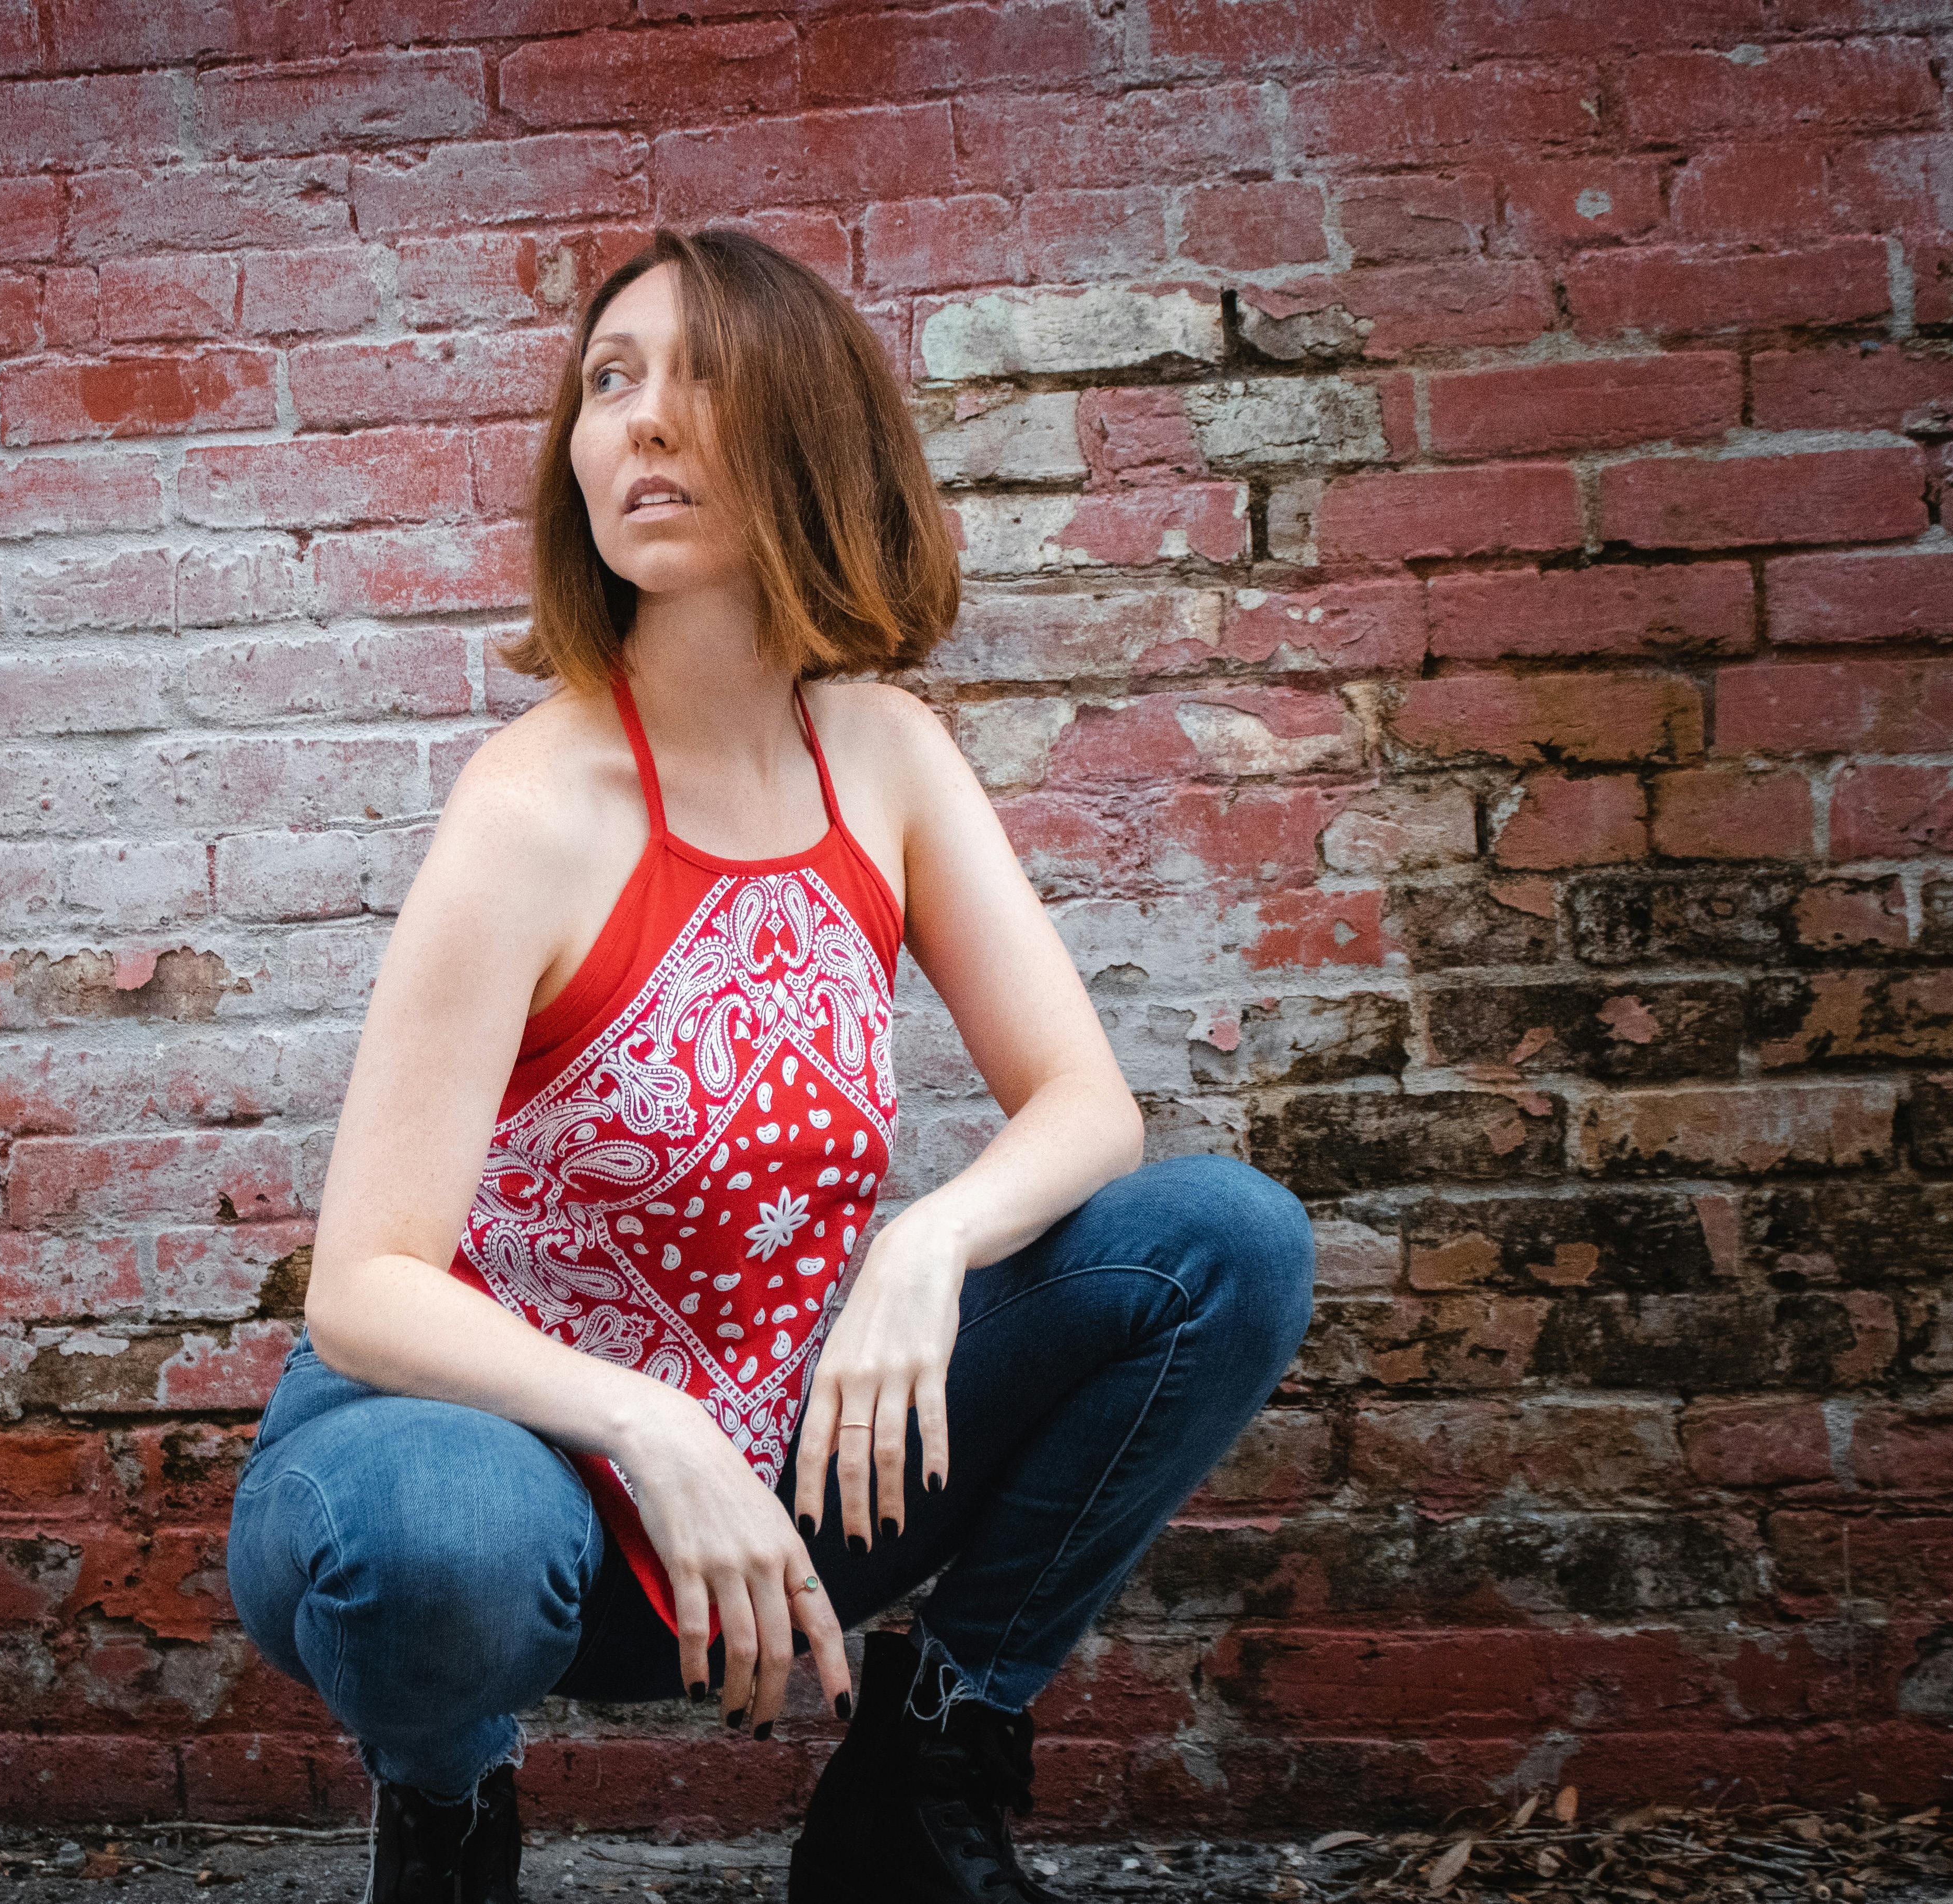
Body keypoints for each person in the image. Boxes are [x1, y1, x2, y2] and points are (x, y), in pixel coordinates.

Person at [223, 227, 1318, 1904]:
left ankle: (920, 1765)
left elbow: (1086, 1102)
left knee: (1224, 1246)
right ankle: (444, 1814)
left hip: (778, 1467)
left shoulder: (883, 753)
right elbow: (360, 1285)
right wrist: (646, 1424)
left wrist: (925, 1245)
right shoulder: (530, 806)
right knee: (429, 1541)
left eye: (702, 383)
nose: (640, 424)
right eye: (608, 383)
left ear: (811, 434)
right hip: (492, 1474)